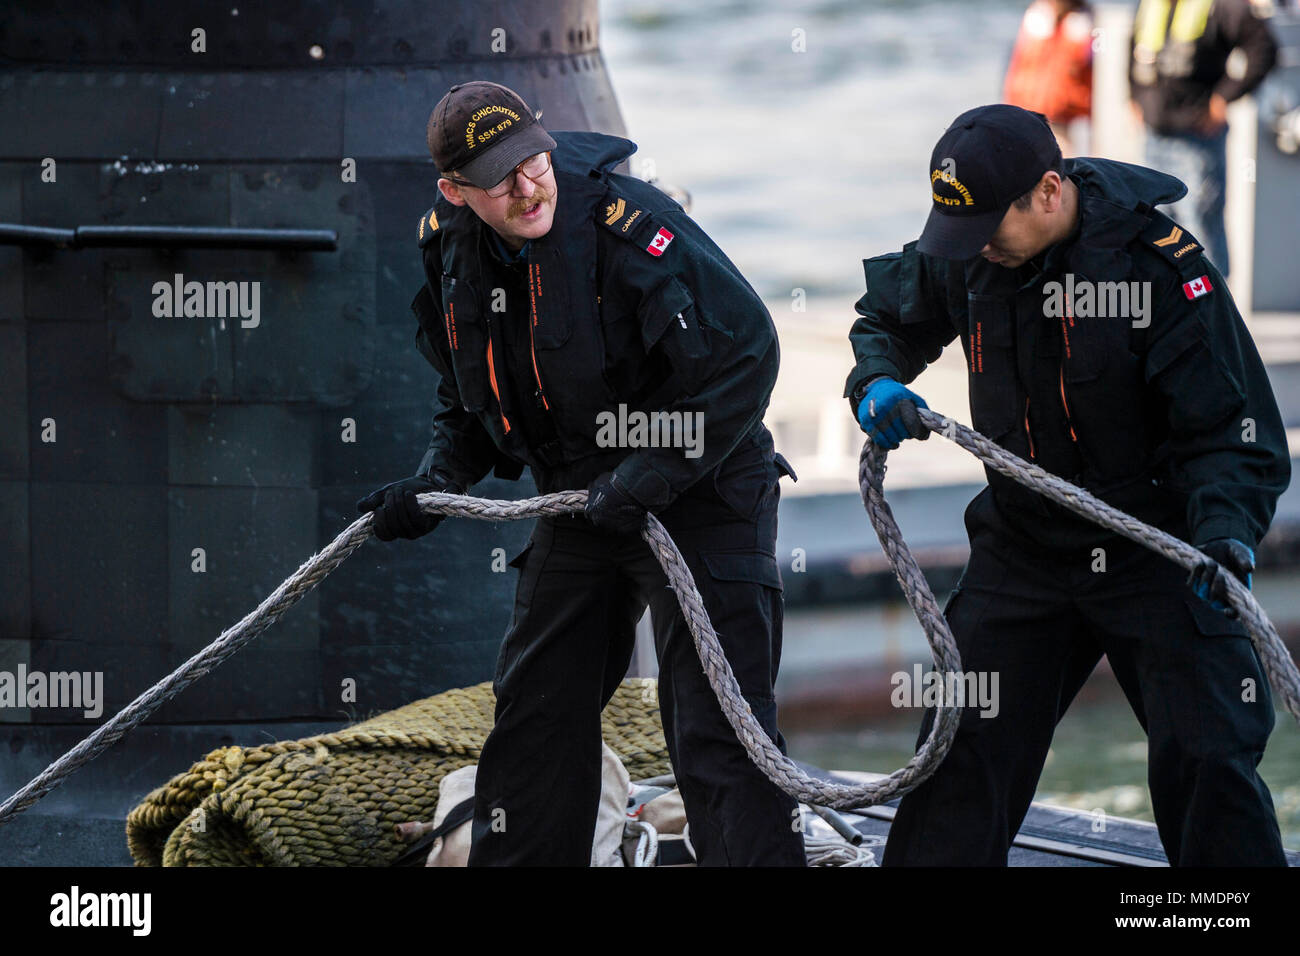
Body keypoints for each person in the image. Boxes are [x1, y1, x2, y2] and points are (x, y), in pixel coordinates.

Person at [357, 81, 806, 866]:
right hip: (582, 497)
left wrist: (652, 475)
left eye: (533, 159)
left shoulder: (631, 230)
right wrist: (433, 483)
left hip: (701, 487)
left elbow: (749, 354)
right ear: (454, 192)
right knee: (536, 713)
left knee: (714, 728)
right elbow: (468, 398)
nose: (528, 184)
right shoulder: (448, 250)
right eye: (499, 175)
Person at [845, 104, 1290, 866]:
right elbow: (890, 315)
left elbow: (1233, 432)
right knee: (957, 749)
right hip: (1025, 548)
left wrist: (1226, 533)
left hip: (1161, 551)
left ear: (1049, 191)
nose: (976, 246)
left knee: (1211, 759)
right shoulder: (974, 244)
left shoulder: (1160, 269)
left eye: (991, 227)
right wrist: (876, 378)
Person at [1129, 0, 1279, 277]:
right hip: (1155, 138)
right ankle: (1172, 314)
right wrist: (1135, 98)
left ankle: (1214, 314)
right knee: (1158, 231)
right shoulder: (1151, 5)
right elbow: (1134, 48)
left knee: (1201, 229)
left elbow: (1264, 49)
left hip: (1196, 142)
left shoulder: (1221, 5)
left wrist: (1224, 97)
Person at [1003, 0, 1095, 155]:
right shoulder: (1038, 19)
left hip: (1064, 111)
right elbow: (1019, 65)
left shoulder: (1080, 25)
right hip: (1030, 108)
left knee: (1062, 156)